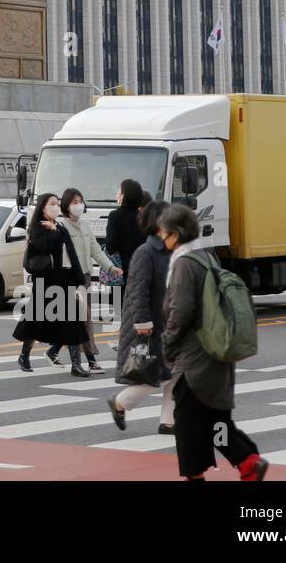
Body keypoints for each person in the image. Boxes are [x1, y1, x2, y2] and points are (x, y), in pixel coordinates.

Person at [161, 205, 269, 481]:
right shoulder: (206, 257)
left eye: (164, 233)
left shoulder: (185, 263)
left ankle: (199, 474)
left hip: (195, 356)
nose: (162, 237)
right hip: (214, 349)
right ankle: (248, 461)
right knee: (213, 418)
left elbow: (181, 310)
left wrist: (168, 343)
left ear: (175, 235)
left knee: (186, 419)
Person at [108, 201, 174, 433]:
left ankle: (168, 421)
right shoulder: (146, 252)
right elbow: (137, 290)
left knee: (175, 373)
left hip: (165, 322)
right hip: (149, 324)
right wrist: (143, 323)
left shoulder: (169, 250)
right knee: (153, 373)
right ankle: (120, 402)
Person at [13, 193, 91, 376]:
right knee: (36, 320)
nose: (56, 207)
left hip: (63, 278)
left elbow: (71, 255)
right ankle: (24, 355)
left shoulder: (60, 226)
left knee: (72, 320)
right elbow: (50, 246)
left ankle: (76, 365)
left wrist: (79, 279)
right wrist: (54, 231)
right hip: (46, 279)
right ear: (43, 208)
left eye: (57, 203)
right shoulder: (37, 228)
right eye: (52, 204)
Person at [59, 187, 121, 373]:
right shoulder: (61, 227)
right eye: (74, 202)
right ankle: (90, 359)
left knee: (78, 319)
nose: (79, 205)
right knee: (83, 318)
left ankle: (57, 352)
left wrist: (110, 267)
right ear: (66, 205)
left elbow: (96, 250)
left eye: (80, 201)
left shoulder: (85, 226)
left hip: (84, 278)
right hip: (69, 278)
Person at [104, 179, 144, 287]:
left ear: (124, 196)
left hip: (121, 268)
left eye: (119, 192)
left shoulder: (115, 215)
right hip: (141, 266)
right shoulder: (143, 217)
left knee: (119, 301)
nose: (117, 194)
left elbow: (110, 245)